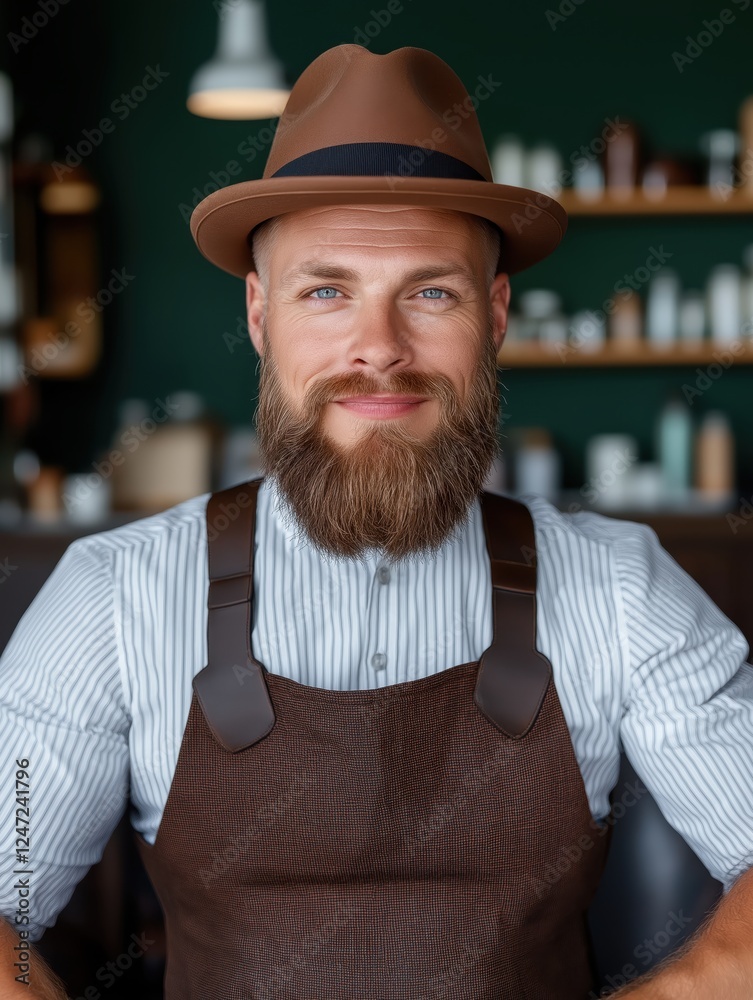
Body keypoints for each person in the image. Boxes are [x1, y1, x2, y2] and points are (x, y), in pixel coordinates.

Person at [1, 42, 752, 1000]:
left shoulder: (620, 590)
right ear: (260, 314)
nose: (380, 351)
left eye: (429, 293)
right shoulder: (115, 597)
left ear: (495, 314)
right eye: (328, 292)